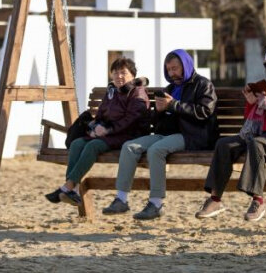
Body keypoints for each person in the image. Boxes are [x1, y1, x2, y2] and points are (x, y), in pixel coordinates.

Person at [103, 49, 217, 221]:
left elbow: (205, 111)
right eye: (169, 69)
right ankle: (121, 199)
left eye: (175, 68)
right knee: (130, 146)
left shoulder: (203, 84)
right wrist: (159, 111)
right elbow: (158, 121)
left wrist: (173, 105)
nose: (172, 73)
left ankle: (156, 203)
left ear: (186, 66)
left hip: (192, 135)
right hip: (167, 134)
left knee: (156, 150)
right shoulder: (170, 88)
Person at [196, 42, 266, 223]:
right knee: (224, 144)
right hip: (259, 134)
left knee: (257, 143)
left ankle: (258, 199)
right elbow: (250, 120)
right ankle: (215, 198)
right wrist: (252, 102)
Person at [45, 57, 149, 207]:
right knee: (77, 143)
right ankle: (71, 188)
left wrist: (108, 129)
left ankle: (67, 187)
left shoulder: (137, 92)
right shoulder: (112, 91)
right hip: (108, 134)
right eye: (115, 73)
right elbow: (101, 113)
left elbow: (131, 119)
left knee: (92, 146)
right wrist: (95, 126)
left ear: (132, 75)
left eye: (123, 73)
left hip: (128, 135)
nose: (119, 76)